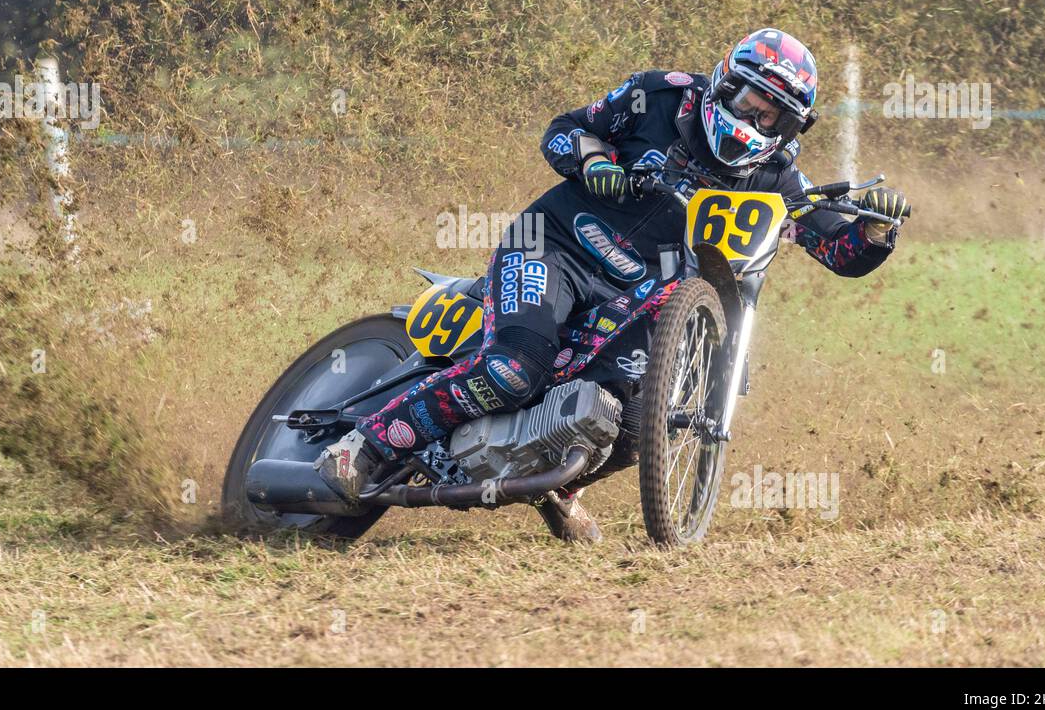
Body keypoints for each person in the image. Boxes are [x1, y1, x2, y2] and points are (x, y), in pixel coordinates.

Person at [316, 28, 908, 541]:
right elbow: (564, 130)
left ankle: (559, 481)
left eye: (771, 115)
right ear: (727, 85)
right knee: (514, 370)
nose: (756, 122)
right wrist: (595, 161)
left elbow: (840, 250)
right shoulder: (658, 96)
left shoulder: (778, 175)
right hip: (554, 246)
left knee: (648, 413)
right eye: (752, 103)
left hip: (637, 299)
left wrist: (877, 230)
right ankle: (368, 444)